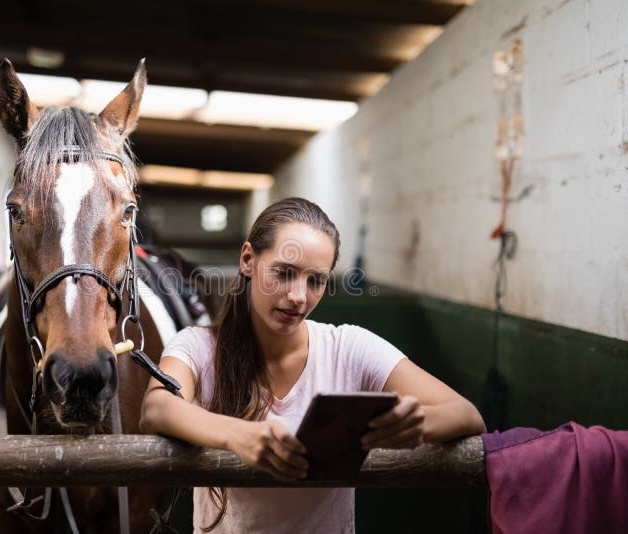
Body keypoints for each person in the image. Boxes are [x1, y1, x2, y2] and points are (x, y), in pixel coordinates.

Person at [140, 197, 486, 533]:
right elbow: (157, 406)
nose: (299, 296)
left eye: (315, 280)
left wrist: (416, 424)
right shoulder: (199, 346)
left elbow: (467, 414)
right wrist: (237, 435)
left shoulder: (348, 347)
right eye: (284, 272)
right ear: (248, 260)